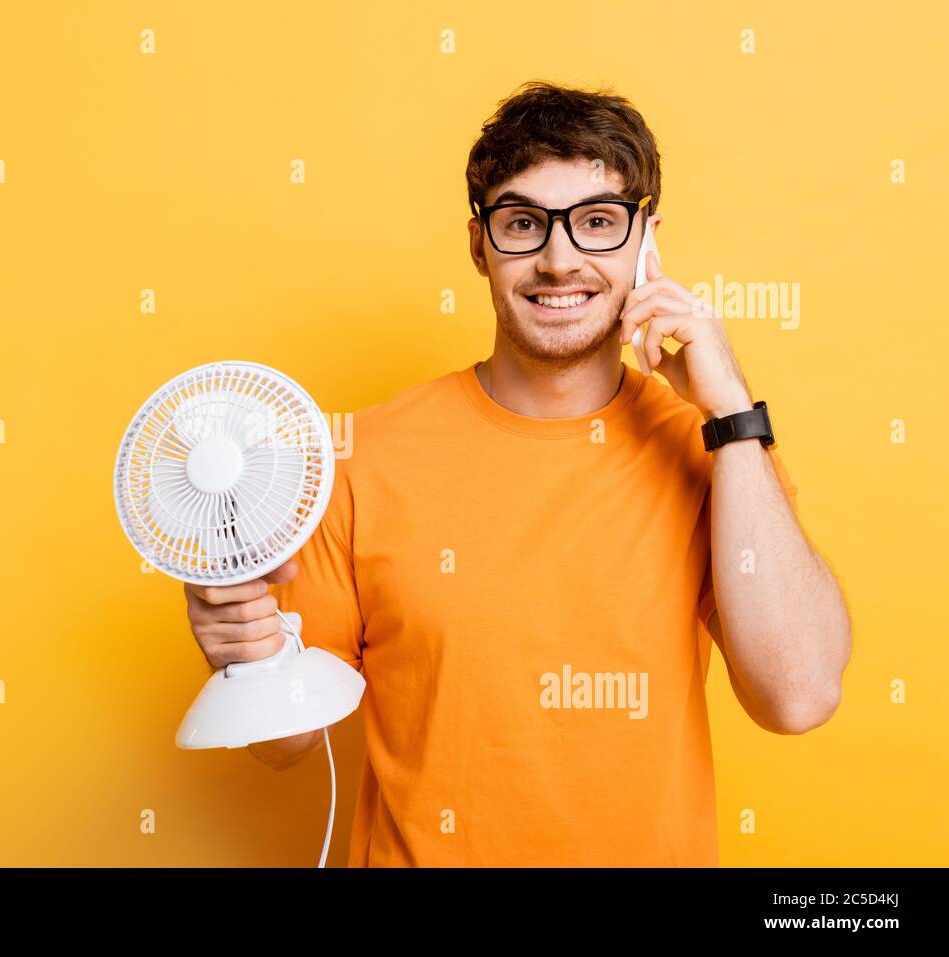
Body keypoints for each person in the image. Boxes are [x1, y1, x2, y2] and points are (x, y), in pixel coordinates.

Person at [183, 80, 851, 867]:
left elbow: (800, 696)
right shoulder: (356, 458)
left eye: (597, 223)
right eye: (524, 223)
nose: (560, 260)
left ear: (647, 241)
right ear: (479, 245)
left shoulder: (715, 452)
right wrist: (243, 654)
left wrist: (731, 405)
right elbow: (288, 741)